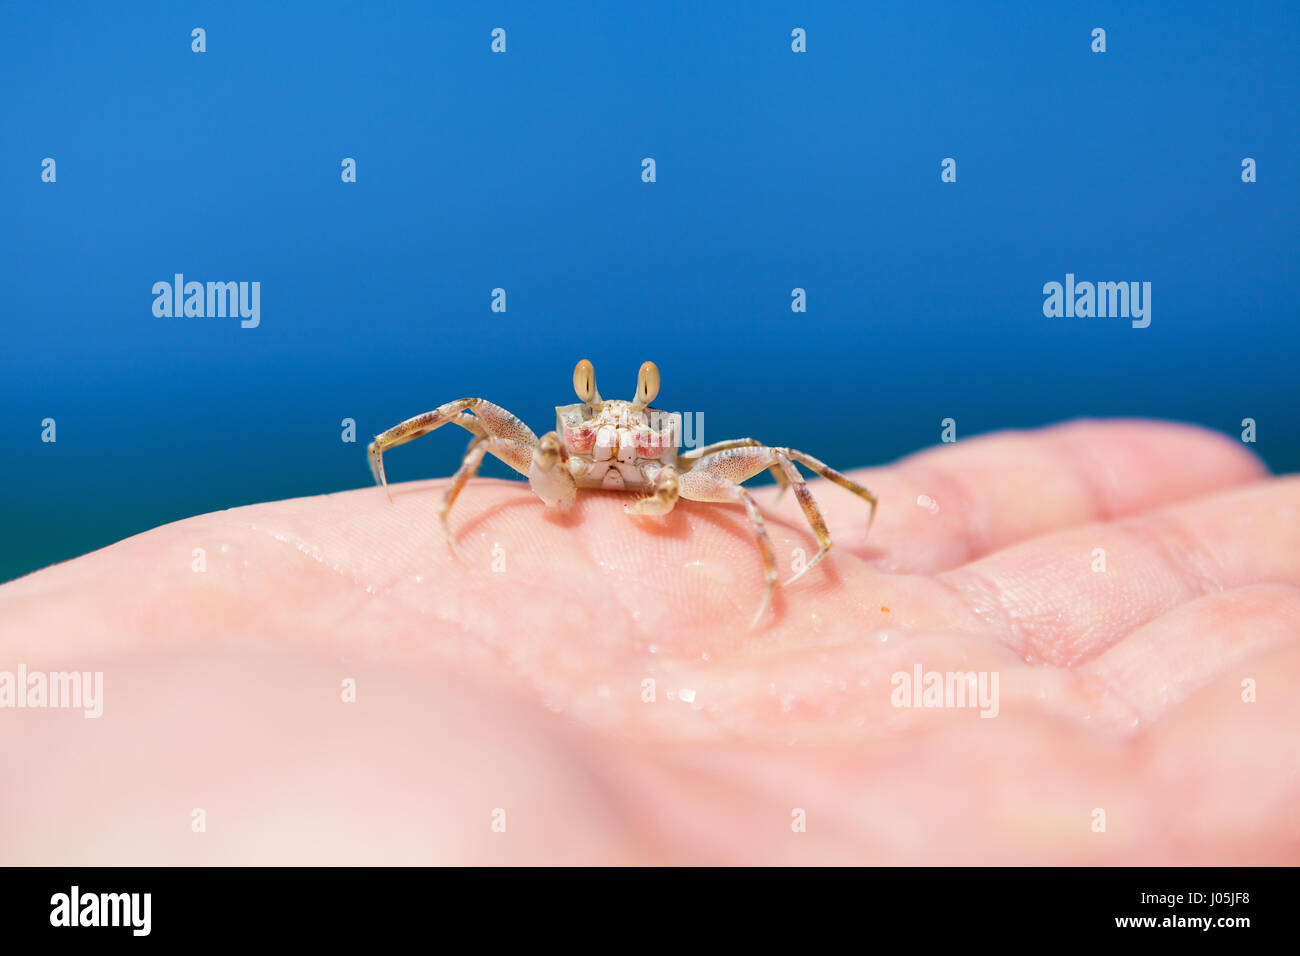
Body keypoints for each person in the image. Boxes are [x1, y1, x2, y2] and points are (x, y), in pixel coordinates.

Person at [1, 420, 1295, 864]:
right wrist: (432, 494)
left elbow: (777, 467)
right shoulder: (552, 456)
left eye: (631, 421)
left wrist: (813, 537)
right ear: (582, 422)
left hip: (704, 503)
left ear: (648, 423)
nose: (615, 434)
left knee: (781, 468)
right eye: (597, 420)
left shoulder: (678, 468)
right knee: (468, 417)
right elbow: (476, 427)